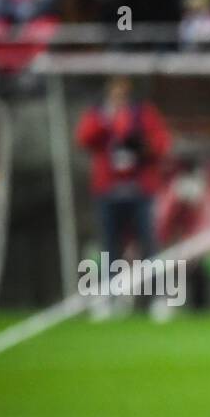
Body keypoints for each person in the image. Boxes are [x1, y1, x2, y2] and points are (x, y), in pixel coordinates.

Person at [75, 75, 172, 313]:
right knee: (109, 247)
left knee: (149, 246)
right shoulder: (98, 113)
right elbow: (83, 139)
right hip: (108, 191)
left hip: (140, 190)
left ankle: (158, 299)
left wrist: (142, 145)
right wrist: (106, 120)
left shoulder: (143, 113)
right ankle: (110, 297)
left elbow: (161, 144)